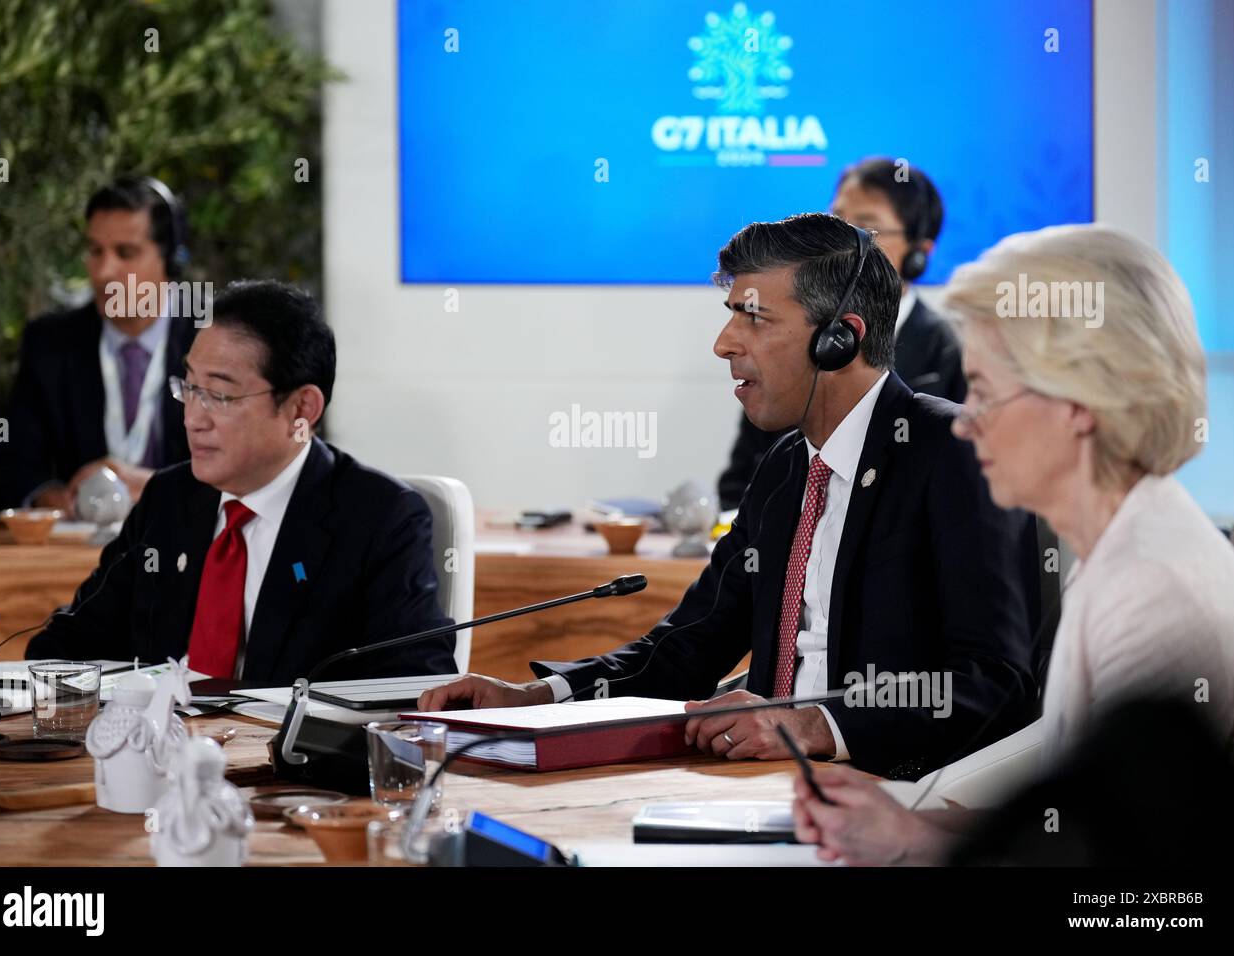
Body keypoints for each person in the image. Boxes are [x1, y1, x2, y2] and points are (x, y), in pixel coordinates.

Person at [419, 213, 1043, 779]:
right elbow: (686, 649)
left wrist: (812, 723)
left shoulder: (953, 452)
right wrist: (533, 702)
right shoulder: (784, 470)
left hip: (902, 797)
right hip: (767, 791)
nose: (724, 343)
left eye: (753, 317)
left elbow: (994, 682)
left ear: (840, 339)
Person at [791, 224, 1234, 863]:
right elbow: (1089, 821)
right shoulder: (1126, 549)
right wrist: (904, 821)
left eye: (982, 390)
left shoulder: (1154, 589)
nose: (965, 424)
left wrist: (912, 840)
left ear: (1079, 403)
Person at [26, 280, 457, 684]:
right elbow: (66, 646)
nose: (193, 418)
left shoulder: (379, 519)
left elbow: (416, 685)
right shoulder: (170, 500)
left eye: (219, 395)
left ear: (301, 409)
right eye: (189, 388)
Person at [718, 158, 964, 510]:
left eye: (866, 229)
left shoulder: (953, 350)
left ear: (918, 254)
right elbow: (741, 482)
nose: (845, 243)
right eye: (838, 222)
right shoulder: (780, 343)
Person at [0, 176, 197, 515]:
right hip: (81, 554)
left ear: (171, 261)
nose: (103, 271)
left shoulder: (215, 338)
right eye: (96, 251)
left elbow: (253, 467)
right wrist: (56, 498)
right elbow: (7, 468)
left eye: (125, 253)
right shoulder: (51, 343)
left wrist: (163, 487)